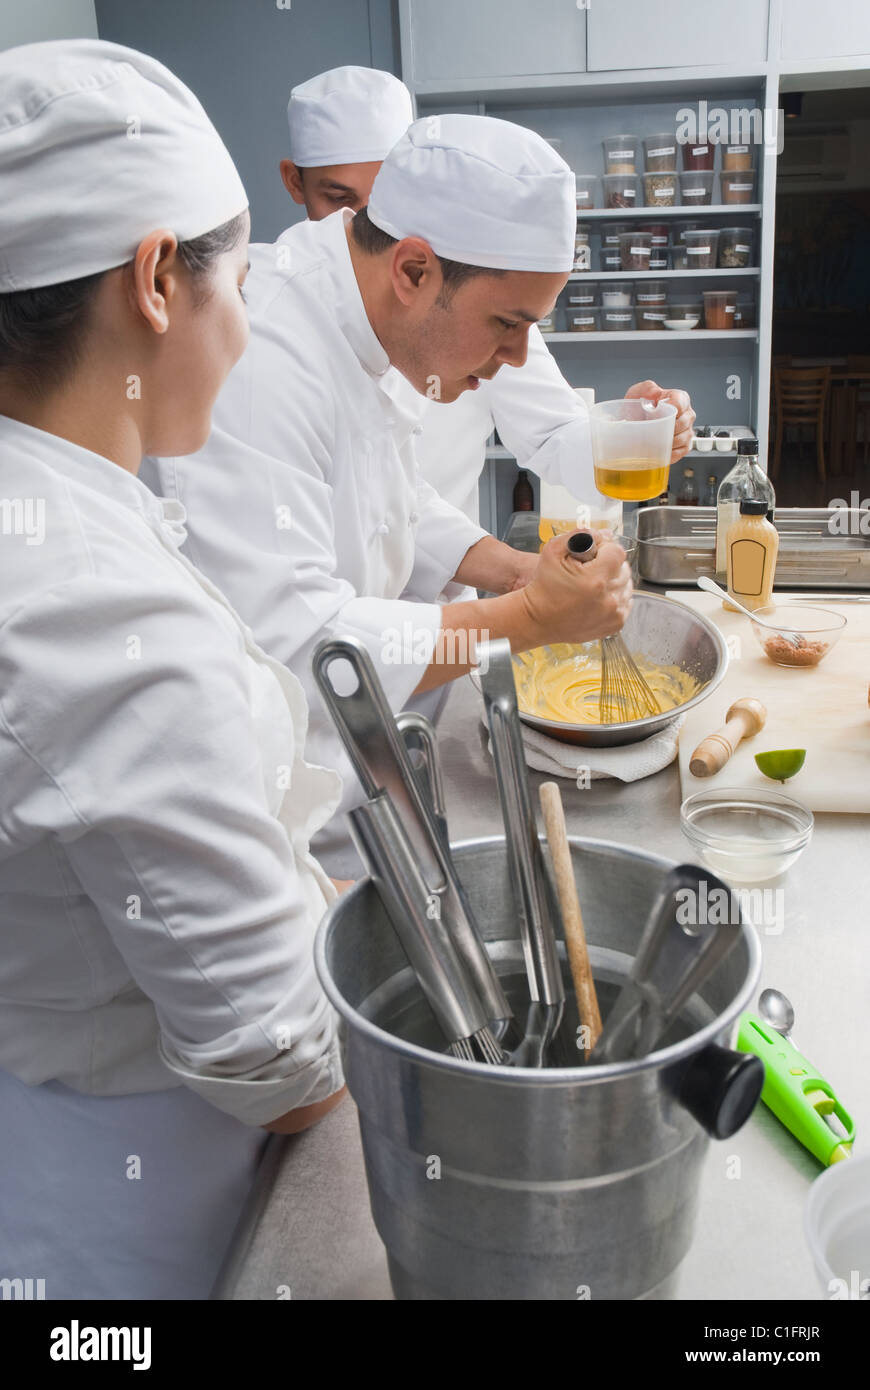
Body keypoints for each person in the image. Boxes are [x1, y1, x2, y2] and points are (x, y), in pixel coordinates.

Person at [0, 39, 345, 1301]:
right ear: (156, 280)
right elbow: (268, 1046)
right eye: (238, 284)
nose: (246, 332)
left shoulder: (61, 503)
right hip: (126, 1205)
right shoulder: (90, 603)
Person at [142, 114, 635, 874]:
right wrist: (526, 618)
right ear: (412, 270)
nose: (513, 359)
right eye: (506, 324)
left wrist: (511, 568)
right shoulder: (266, 360)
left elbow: (391, 495)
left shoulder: (367, 317)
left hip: (367, 759)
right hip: (279, 820)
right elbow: (303, 647)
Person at [280, 66, 696, 521]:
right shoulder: (278, 318)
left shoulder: (482, 299)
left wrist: (625, 435)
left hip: (448, 584)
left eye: (384, 198)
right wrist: (520, 591)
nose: (370, 223)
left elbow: (552, 433)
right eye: (343, 199)